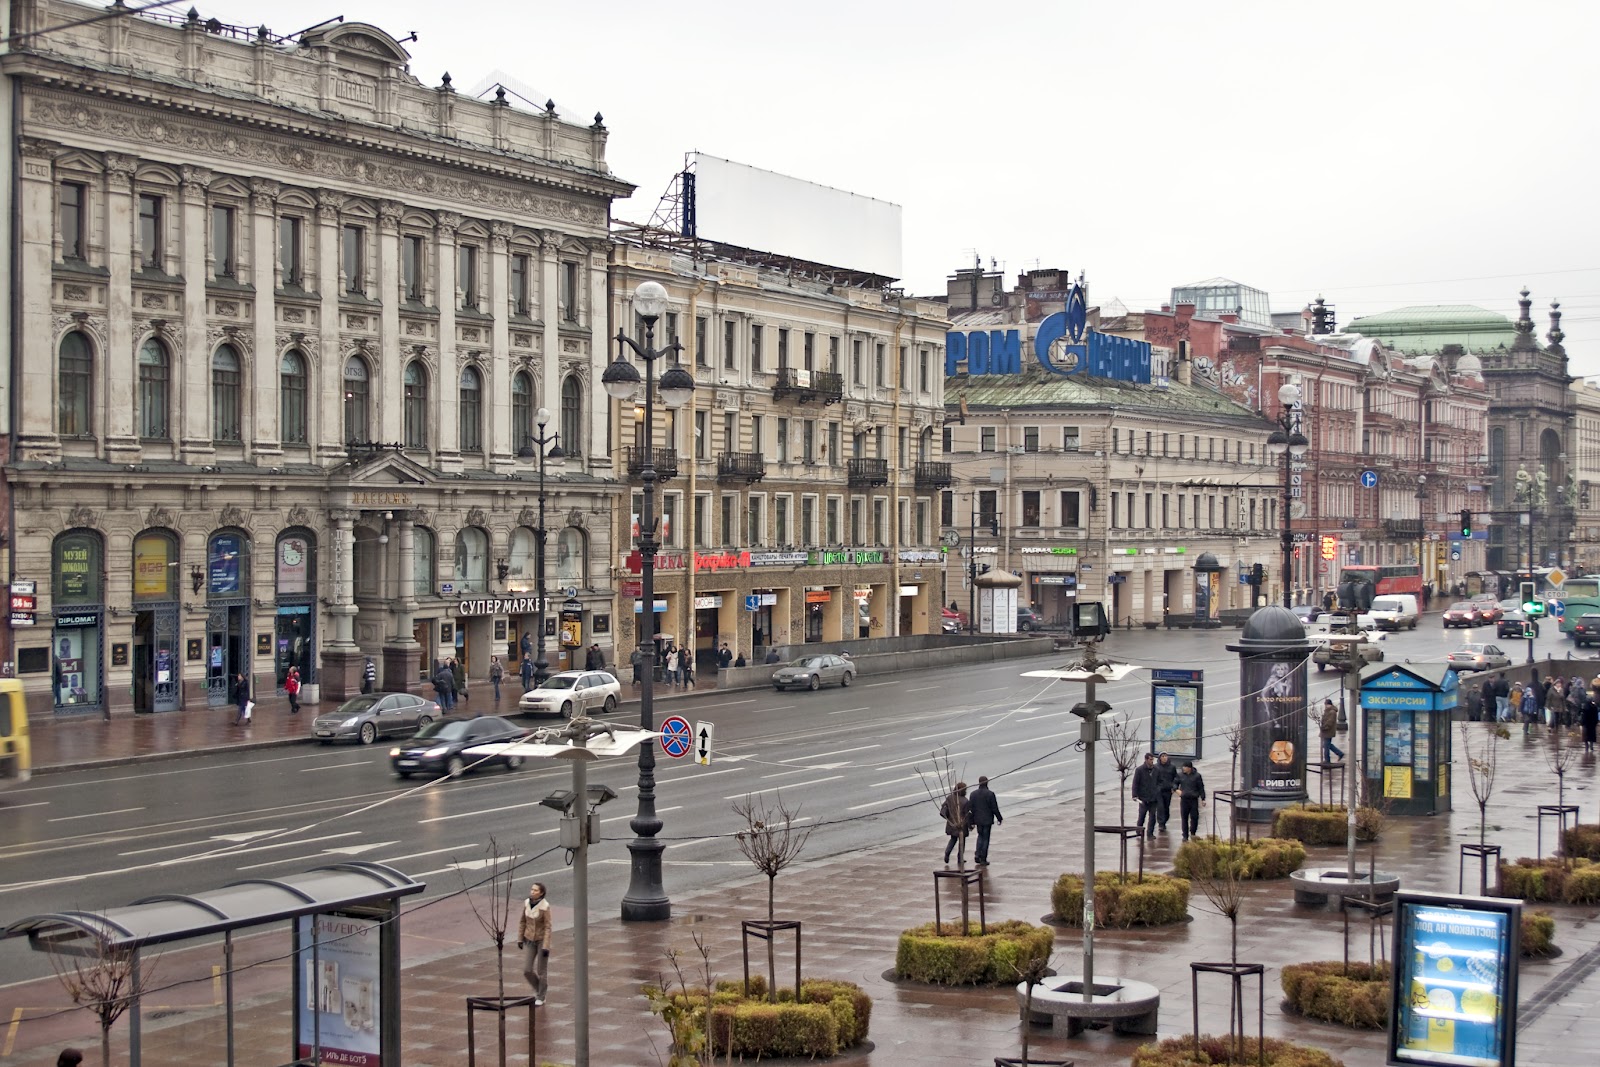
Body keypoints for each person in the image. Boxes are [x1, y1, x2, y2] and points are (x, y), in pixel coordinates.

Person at [516, 881, 552, 1006]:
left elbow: (548, 926)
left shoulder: (544, 906)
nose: (532, 892)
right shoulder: (526, 903)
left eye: (536, 890)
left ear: (541, 893)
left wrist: (546, 946)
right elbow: (522, 922)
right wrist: (520, 938)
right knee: (527, 970)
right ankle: (539, 989)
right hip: (529, 940)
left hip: (541, 940)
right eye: (532, 889)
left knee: (542, 971)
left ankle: (541, 996)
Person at [967, 775, 1003, 866]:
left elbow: (971, 809)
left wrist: (971, 822)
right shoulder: (990, 794)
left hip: (978, 819)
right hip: (987, 820)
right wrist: (999, 818)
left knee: (980, 836)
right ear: (987, 782)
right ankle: (983, 858)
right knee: (986, 838)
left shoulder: (973, 794)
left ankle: (977, 853)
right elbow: (994, 808)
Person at [940, 781, 970, 865]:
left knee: (953, 839)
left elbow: (944, 807)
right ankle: (960, 858)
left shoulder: (950, 798)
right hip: (961, 824)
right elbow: (967, 814)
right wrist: (970, 825)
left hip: (951, 822)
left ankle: (947, 852)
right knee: (962, 841)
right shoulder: (965, 800)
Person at [1176, 760, 1207, 841]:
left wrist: (1203, 798)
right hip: (1184, 799)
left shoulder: (1197, 776)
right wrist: (1176, 790)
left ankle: (1193, 832)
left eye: (1185, 767)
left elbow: (1201, 787)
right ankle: (1185, 835)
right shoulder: (1180, 775)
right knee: (1184, 818)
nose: (1183, 768)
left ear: (1189, 768)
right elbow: (1174, 783)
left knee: (1194, 817)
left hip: (1193, 800)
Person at [1131, 753, 1160, 838]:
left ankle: (1150, 833)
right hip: (1143, 798)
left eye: (1152, 760)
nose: (1152, 761)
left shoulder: (1156, 769)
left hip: (1153, 798)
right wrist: (1134, 795)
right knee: (1142, 816)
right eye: (1150, 760)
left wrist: (1157, 789)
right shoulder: (1139, 770)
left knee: (1152, 817)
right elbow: (1135, 783)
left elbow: (1160, 781)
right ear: (1146, 759)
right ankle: (1139, 831)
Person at [1154, 753, 1178, 831]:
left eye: (1165, 756)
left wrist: (1174, 787)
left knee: (1166, 807)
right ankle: (1161, 823)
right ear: (1160, 758)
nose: (1164, 758)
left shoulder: (1172, 767)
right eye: (1162, 756)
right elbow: (1153, 778)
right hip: (1159, 791)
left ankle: (1165, 820)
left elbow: (1176, 778)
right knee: (1160, 807)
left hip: (1168, 790)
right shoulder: (1156, 767)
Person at [1319, 698, 1344, 763]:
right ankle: (1339, 753)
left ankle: (1327, 760)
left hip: (1328, 731)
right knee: (1327, 745)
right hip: (1327, 731)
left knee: (1326, 746)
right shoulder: (1328, 711)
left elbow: (1330, 721)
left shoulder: (1332, 712)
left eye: (1326, 705)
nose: (1326, 706)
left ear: (1329, 704)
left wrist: (1324, 727)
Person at [1581, 686, 1599, 753]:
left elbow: (1583, 716)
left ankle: (1586, 746)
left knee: (1585, 736)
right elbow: (1596, 716)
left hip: (1586, 724)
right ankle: (1591, 745)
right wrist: (1596, 722)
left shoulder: (1584, 707)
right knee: (1591, 736)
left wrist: (1582, 723)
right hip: (1592, 724)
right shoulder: (1594, 707)